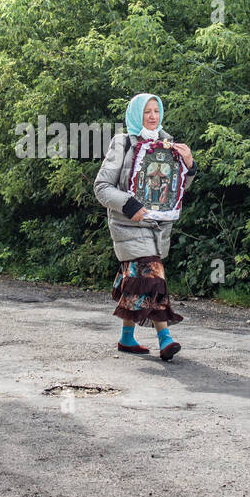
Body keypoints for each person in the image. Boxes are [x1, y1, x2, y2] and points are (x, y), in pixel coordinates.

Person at [93, 93, 196, 361]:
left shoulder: (169, 144)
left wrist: (190, 167)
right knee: (153, 279)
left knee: (138, 283)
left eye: (156, 111)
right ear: (136, 115)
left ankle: (127, 338)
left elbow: (175, 190)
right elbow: (101, 187)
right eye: (146, 112)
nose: (153, 116)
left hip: (158, 228)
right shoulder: (122, 142)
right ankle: (165, 339)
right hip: (128, 224)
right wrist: (129, 206)